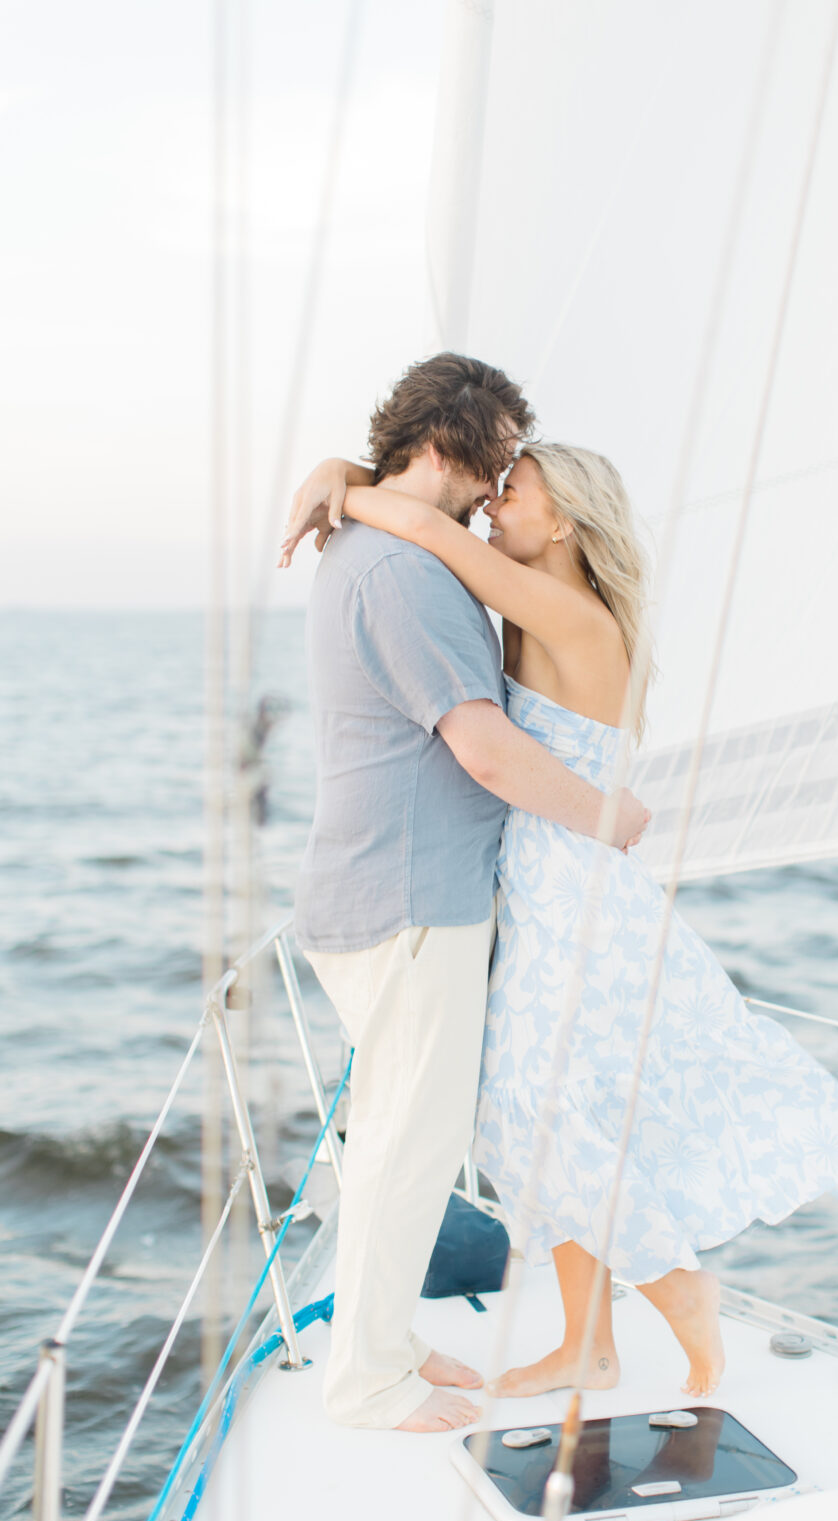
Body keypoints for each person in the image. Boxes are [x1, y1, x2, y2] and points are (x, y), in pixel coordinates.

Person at [282, 436, 838, 1401]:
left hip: (570, 890)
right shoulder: (533, 604)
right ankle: (587, 1347)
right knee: (552, 1115)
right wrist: (345, 475)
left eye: (512, 493)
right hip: (532, 882)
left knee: (535, 1111)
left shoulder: (569, 614)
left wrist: (340, 488)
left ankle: (682, 1296)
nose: (493, 505)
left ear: (563, 520)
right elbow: (434, 522)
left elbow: (430, 529)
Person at [287, 355, 650, 1435]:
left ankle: (386, 1344)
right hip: (410, 900)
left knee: (403, 1135)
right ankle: (368, 1384)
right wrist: (606, 817)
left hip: (398, 888)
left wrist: (343, 474)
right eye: (495, 464)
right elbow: (483, 747)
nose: (496, 492)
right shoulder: (402, 573)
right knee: (408, 1146)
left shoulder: (385, 547)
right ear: (452, 446)